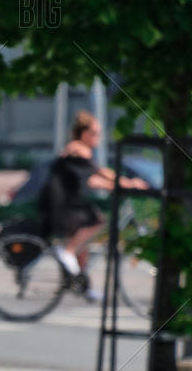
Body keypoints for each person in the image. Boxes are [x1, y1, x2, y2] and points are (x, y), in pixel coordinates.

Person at [39, 111, 149, 299]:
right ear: (84, 133)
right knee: (96, 221)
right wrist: (125, 184)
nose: (98, 137)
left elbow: (100, 172)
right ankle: (67, 251)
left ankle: (83, 286)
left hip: (66, 199)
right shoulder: (78, 149)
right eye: (95, 133)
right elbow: (92, 178)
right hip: (64, 201)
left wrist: (125, 183)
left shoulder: (79, 150)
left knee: (85, 245)